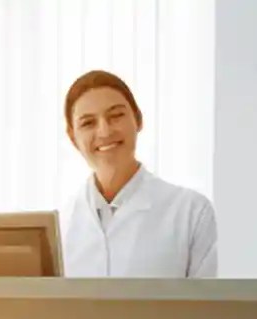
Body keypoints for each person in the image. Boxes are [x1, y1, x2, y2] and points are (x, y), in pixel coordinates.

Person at [60, 70, 217, 278]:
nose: (105, 132)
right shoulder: (61, 226)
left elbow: (208, 307)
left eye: (116, 116)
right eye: (88, 123)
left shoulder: (192, 212)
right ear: (72, 137)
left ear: (138, 120)